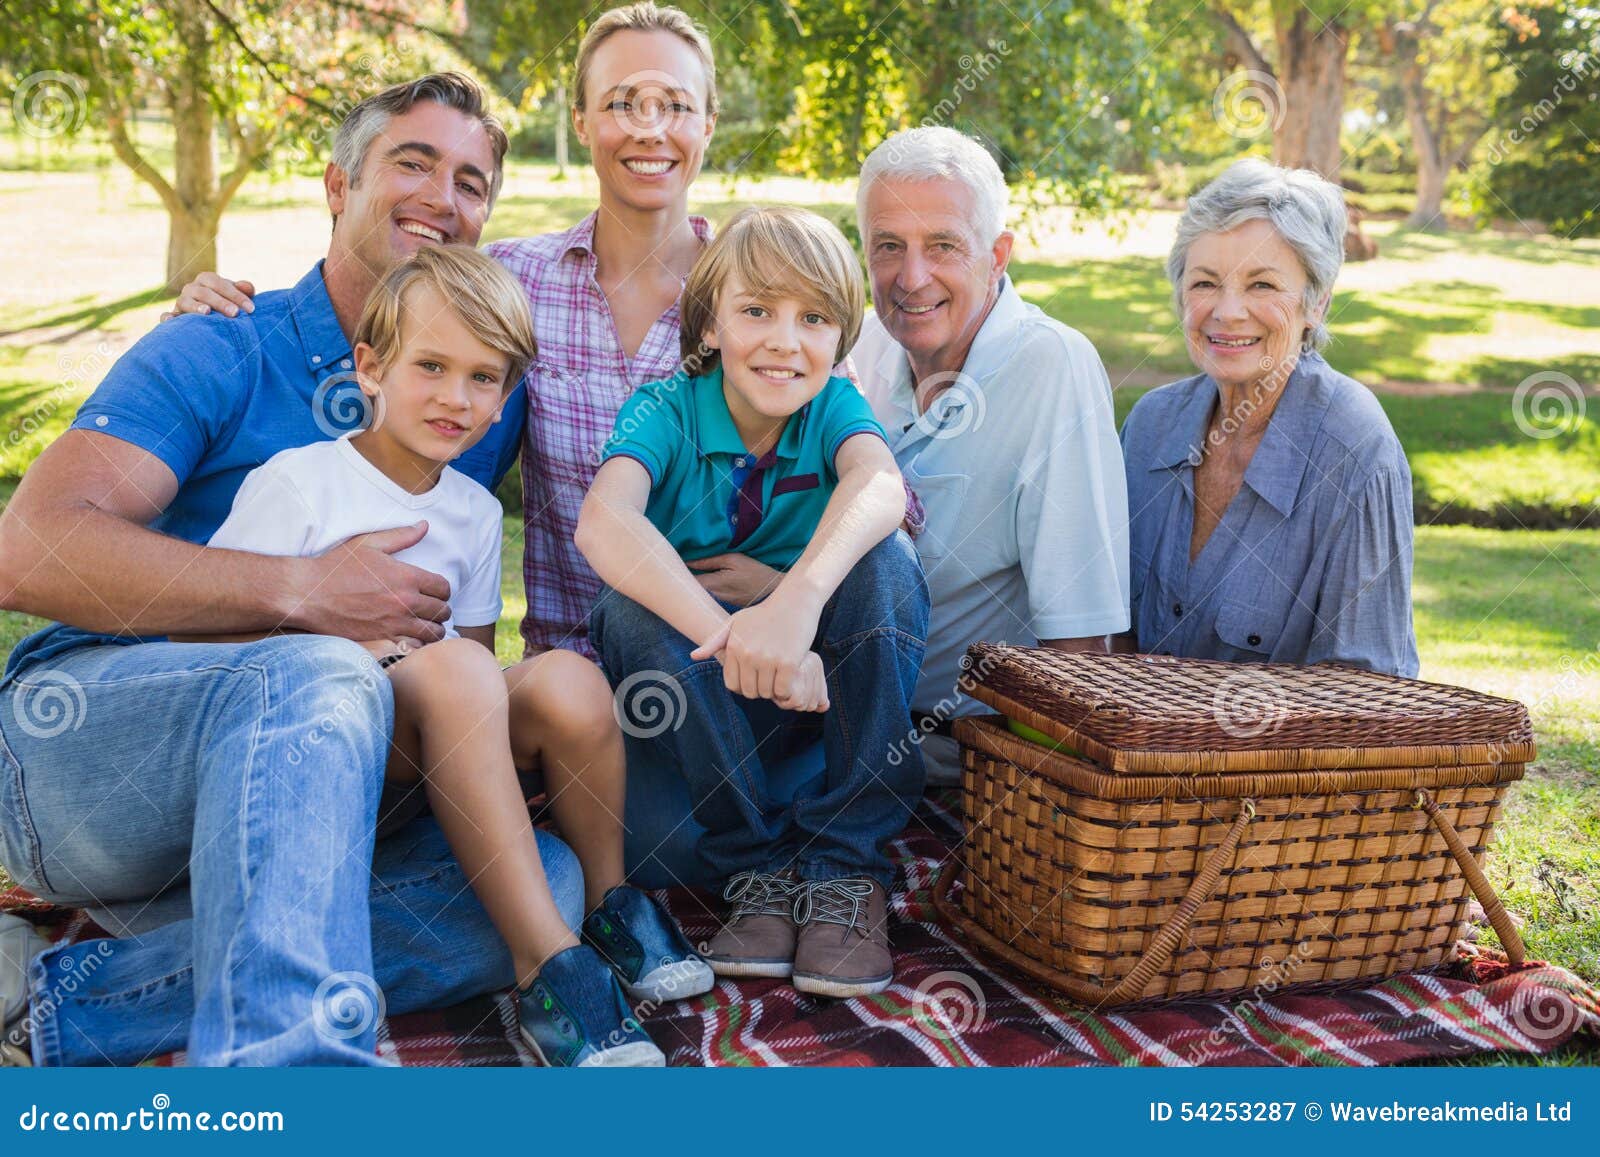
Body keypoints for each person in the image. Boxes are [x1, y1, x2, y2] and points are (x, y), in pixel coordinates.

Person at [0, 74, 583, 1068]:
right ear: (335, 183)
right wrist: (300, 591)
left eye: (473, 181)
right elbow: (28, 550)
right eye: (412, 161)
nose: (443, 196)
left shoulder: (468, 395)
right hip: (90, 757)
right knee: (315, 663)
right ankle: (298, 1073)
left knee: (545, 885)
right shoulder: (218, 344)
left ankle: (79, 1003)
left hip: (308, 783)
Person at [194, 245, 710, 1065]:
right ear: (369, 366)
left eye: (484, 378)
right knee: (458, 675)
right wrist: (343, 644)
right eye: (430, 365)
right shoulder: (298, 484)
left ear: (508, 393)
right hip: (316, 760)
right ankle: (548, 970)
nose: (455, 397)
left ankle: (613, 904)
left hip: (422, 771)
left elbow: (472, 671)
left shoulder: (472, 510)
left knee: (570, 679)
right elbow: (209, 653)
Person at [578, 207, 930, 998]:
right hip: (694, 724)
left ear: (841, 340)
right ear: (708, 327)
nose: (784, 339)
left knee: (888, 558)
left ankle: (847, 868)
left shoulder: (832, 407)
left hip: (815, 714)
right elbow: (604, 521)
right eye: (757, 310)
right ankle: (759, 870)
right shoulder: (667, 409)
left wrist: (791, 604)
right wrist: (738, 638)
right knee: (630, 607)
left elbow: (880, 485)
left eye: (813, 318)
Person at [851, 126, 1130, 785]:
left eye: (943, 246)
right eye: (889, 247)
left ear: (998, 254)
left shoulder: (1050, 365)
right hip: (826, 736)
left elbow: (1080, 648)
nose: (911, 278)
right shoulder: (857, 346)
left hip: (964, 764)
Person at [1118, 158, 1419, 676]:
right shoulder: (1150, 426)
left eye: (1261, 285)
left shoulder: (1356, 452)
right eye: (1205, 283)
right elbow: (1107, 635)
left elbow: (1367, 695)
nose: (1228, 311)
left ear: (1316, 303)